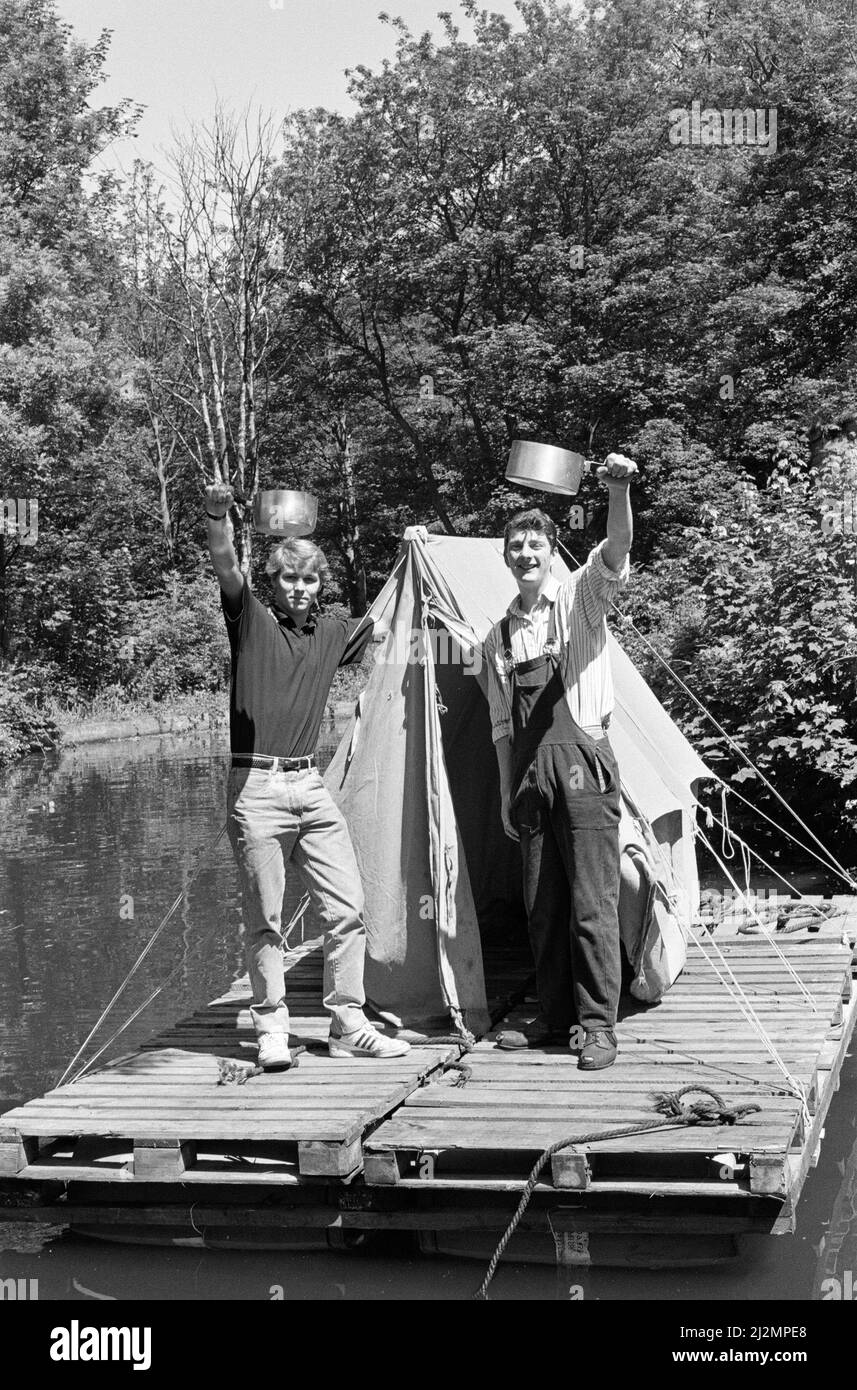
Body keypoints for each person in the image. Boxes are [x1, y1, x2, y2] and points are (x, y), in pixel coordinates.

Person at [204, 481, 411, 1069]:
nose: (299, 589)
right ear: (273, 583)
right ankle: (272, 1027)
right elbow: (224, 562)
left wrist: (409, 552)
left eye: (309, 580)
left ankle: (348, 1021)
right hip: (257, 789)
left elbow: (388, 613)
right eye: (289, 579)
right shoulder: (250, 622)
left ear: (320, 585)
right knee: (265, 919)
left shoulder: (330, 631)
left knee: (347, 907)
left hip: (311, 788)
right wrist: (220, 515)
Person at [484, 454, 638, 1070]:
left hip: (583, 768)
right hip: (530, 780)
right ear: (506, 557)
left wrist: (618, 488)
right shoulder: (494, 636)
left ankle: (598, 1025)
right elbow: (502, 726)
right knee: (542, 904)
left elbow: (618, 547)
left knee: (591, 902)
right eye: (516, 546)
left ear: (552, 552)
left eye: (536, 544)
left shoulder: (580, 600)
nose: (526, 553)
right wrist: (503, 793)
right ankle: (554, 1017)